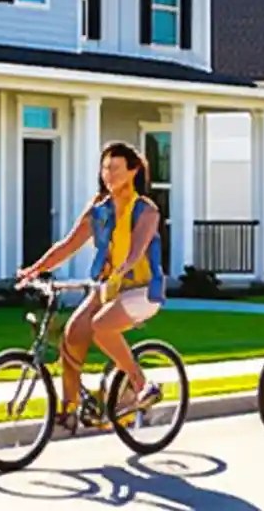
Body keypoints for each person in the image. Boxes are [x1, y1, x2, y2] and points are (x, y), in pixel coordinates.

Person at [15, 141, 165, 428]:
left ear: (133, 171)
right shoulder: (99, 209)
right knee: (72, 336)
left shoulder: (146, 210)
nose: (109, 174)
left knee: (101, 326)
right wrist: (35, 270)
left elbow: (137, 249)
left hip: (143, 290)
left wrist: (122, 269)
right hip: (109, 288)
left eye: (116, 168)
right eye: (105, 168)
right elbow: (68, 245)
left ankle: (142, 384)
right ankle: (69, 410)